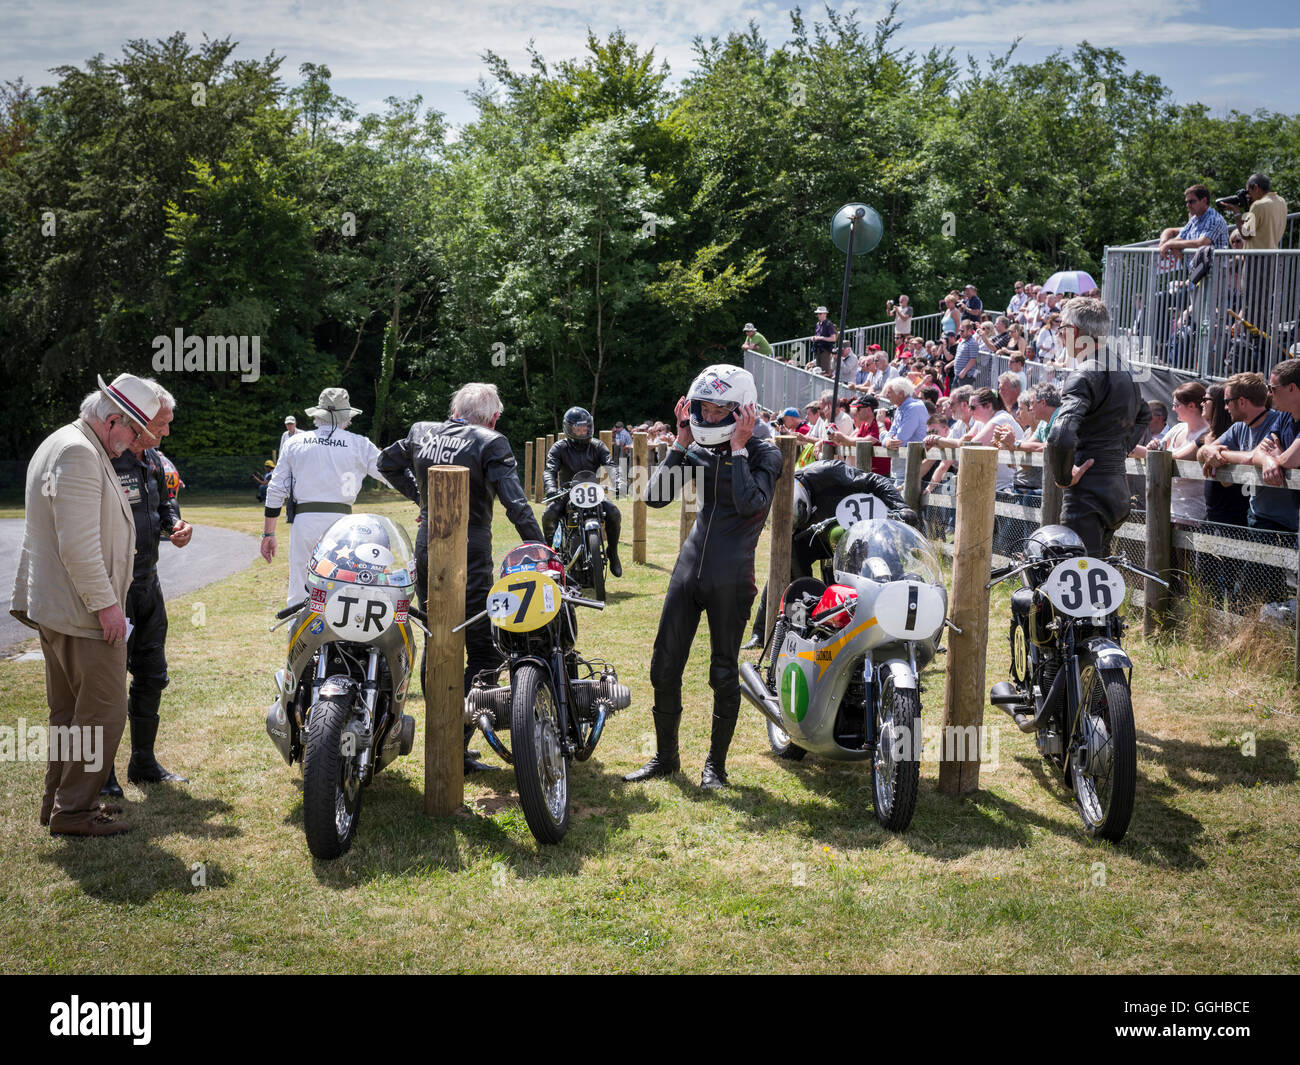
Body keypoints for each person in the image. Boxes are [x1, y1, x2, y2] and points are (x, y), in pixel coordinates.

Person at [11, 373, 163, 836]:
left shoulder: (66, 441)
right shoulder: (79, 452)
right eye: (134, 432)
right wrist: (107, 605)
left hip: (59, 607)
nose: (135, 444)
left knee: (69, 715)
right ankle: (74, 811)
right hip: (81, 611)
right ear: (112, 418)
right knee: (102, 714)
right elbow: (78, 545)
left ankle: (58, 804)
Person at [625, 365, 782, 789]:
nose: (710, 418)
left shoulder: (766, 453)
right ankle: (665, 758)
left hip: (732, 577)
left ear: (743, 410)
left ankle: (716, 766)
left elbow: (751, 504)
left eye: (720, 411)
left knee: (723, 672)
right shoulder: (695, 448)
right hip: (688, 570)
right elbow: (655, 498)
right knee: (663, 666)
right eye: (704, 410)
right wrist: (680, 441)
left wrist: (739, 448)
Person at [378, 383, 544, 771]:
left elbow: (386, 463)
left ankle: (446, 738)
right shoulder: (492, 442)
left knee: (437, 636)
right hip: (468, 554)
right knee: (484, 650)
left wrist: (423, 498)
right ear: (494, 416)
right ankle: (453, 741)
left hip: (427, 547)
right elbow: (515, 502)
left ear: (454, 408)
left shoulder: (422, 431)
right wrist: (540, 548)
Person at [103, 380, 193, 796]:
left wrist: (174, 525)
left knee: (153, 675)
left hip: (148, 586)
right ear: (138, 420)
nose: (167, 431)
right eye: (163, 423)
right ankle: (101, 777)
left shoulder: (154, 460)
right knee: (106, 684)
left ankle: (143, 762)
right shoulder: (106, 460)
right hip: (111, 590)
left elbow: (162, 506)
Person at [743, 457, 915, 647]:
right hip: (806, 537)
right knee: (793, 577)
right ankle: (781, 632)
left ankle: (911, 628)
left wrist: (901, 506)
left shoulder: (828, 471)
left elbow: (875, 481)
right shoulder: (779, 492)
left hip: (849, 532)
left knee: (888, 566)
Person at [261, 388, 392, 605]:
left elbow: (276, 490)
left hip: (305, 523)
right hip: (344, 526)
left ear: (317, 415)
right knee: (342, 585)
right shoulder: (360, 444)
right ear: (347, 416)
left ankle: (298, 634)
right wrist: (423, 501)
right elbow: (392, 474)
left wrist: (268, 534)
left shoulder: (294, 443)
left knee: (300, 587)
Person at [1046, 297, 1151, 556]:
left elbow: (1059, 436)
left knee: (1074, 580)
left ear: (1074, 332)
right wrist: (1119, 451)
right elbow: (1145, 414)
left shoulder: (1083, 374)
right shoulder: (1125, 372)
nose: (1060, 337)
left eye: (1061, 330)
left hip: (1086, 494)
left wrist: (1063, 477)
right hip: (1117, 490)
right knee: (1097, 574)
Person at [542, 406, 624, 577]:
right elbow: (550, 470)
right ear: (569, 428)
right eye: (578, 428)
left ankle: (613, 552)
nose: (582, 431)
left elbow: (610, 464)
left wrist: (619, 481)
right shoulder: (559, 447)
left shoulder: (597, 445)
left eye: (585, 427)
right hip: (567, 493)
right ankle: (549, 556)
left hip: (592, 492)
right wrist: (551, 488)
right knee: (549, 514)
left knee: (614, 513)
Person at [1157, 184, 1230, 257]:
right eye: (1187, 202)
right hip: (1196, 268)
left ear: (1204, 200)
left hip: (1214, 268)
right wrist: (1172, 246)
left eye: (1191, 201)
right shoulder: (1194, 219)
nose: (1188, 205)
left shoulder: (1214, 219)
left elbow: (1201, 243)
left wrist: (1170, 244)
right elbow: (1179, 239)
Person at [1221, 173, 1288, 251]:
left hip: (1256, 258)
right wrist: (1248, 208)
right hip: (1273, 254)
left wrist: (1236, 212)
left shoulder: (1258, 205)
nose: (1248, 196)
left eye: (1248, 192)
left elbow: (1246, 234)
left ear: (1255, 187)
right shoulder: (1281, 201)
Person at [810, 305, 838, 375]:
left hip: (825, 349)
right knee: (818, 370)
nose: (818, 315)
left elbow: (833, 338)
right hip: (818, 349)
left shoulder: (829, 324)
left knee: (824, 370)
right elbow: (818, 335)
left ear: (825, 314)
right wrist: (814, 338)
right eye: (818, 314)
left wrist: (820, 338)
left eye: (820, 313)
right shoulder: (818, 324)